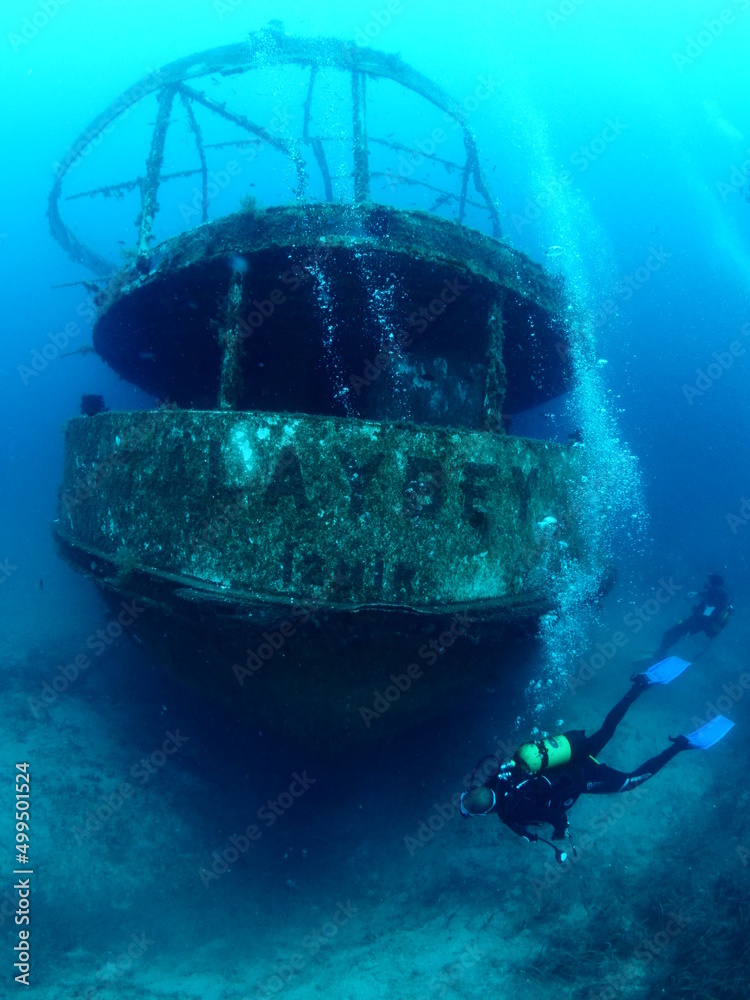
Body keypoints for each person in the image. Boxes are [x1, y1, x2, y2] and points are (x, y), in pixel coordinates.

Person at [460, 657, 733, 862]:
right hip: (571, 755)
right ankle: (640, 685)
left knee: (630, 782)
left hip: (580, 776)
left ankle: (681, 746)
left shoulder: (512, 811)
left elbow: (557, 816)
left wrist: (558, 834)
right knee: (606, 731)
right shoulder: (496, 778)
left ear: (486, 812)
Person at [654, 573, 732, 658]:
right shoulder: (718, 595)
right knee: (673, 634)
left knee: (669, 634)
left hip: (697, 624)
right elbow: (708, 596)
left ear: (713, 584)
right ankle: (662, 652)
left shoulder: (714, 598)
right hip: (699, 623)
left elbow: (706, 617)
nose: (706, 584)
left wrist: (688, 624)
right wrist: (697, 594)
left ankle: (660, 654)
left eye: (709, 582)